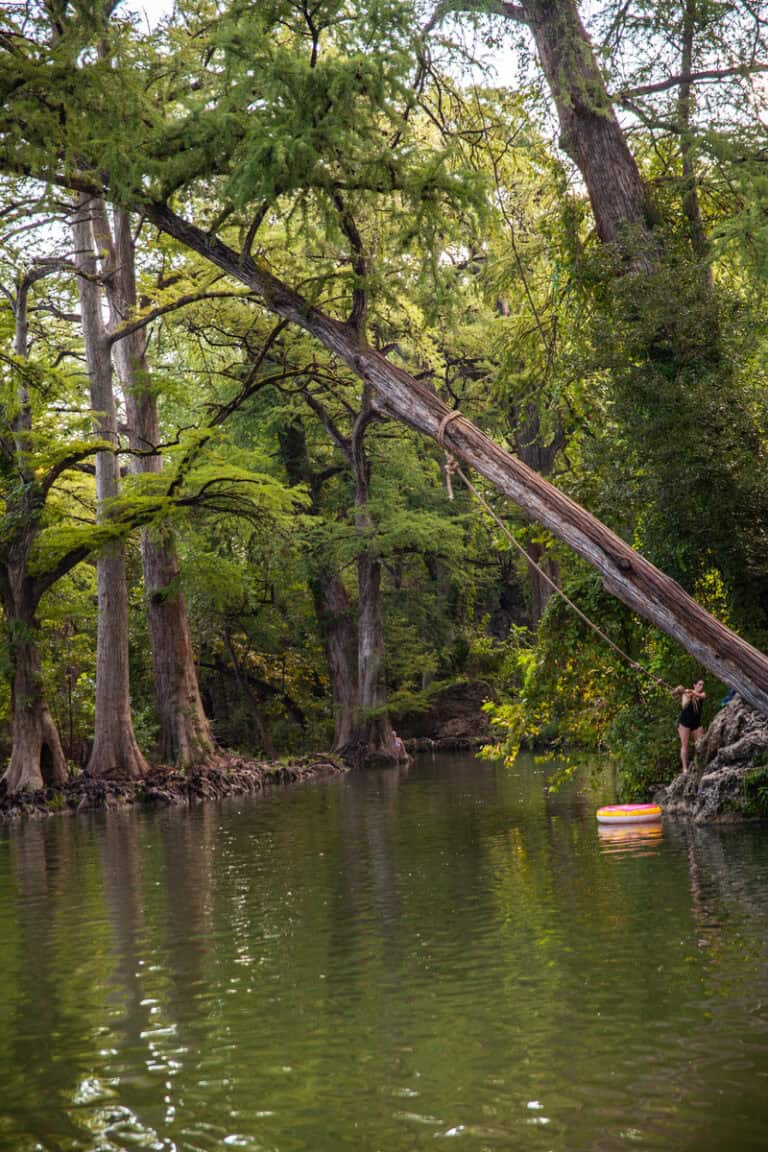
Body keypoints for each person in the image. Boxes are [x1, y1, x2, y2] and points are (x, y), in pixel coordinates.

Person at [672, 679, 706, 773]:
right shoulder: (686, 694)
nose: (701, 686)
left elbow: (702, 696)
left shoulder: (701, 694)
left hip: (696, 722)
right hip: (685, 722)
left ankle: (700, 764)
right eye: (699, 684)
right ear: (694, 685)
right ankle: (685, 769)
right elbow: (683, 706)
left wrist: (692, 693)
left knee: (700, 744)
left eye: (702, 685)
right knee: (684, 745)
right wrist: (689, 697)